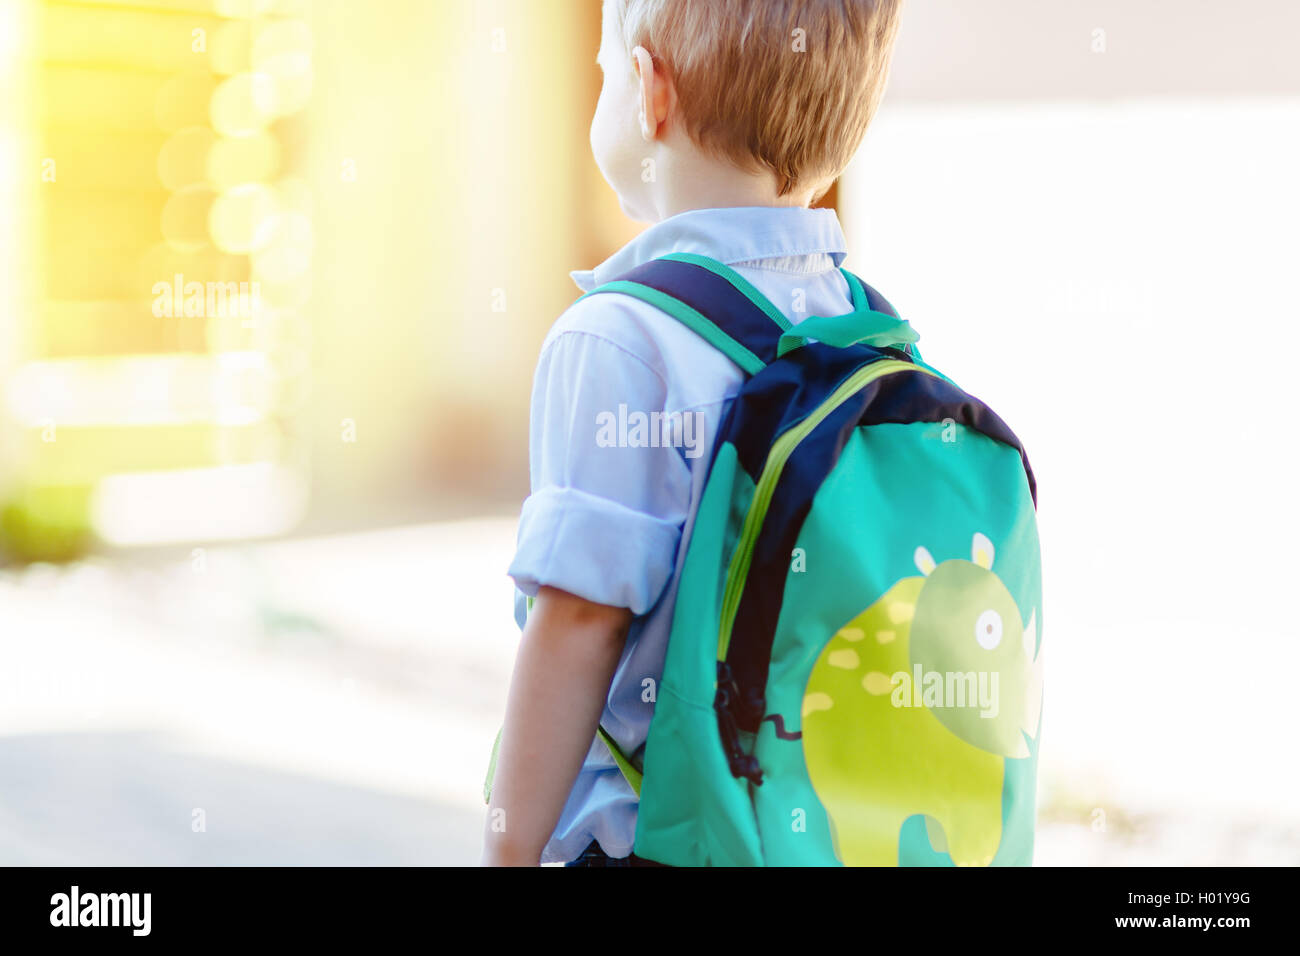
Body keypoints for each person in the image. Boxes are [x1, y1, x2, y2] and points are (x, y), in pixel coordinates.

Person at [482, 0, 903, 867]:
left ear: (648, 92)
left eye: (602, 69)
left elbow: (580, 620)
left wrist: (506, 850)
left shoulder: (619, 337)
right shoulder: (867, 331)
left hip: (659, 845)